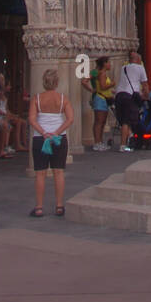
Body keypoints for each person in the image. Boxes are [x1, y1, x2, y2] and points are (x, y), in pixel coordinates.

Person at [28, 68, 73, 217]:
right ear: (56, 82)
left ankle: (39, 207)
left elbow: (32, 119)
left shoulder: (37, 99)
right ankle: (59, 205)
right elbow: (70, 119)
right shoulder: (62, 99)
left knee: (40, 173)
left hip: (41, 138)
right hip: (58, 138)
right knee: (58, 172)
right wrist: (57, 132)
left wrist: (43, 132)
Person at [114, 49, 150, 152]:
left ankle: (129, 137)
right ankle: (123, 145)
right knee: (127, 121)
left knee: (122, 120)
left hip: (119, 95)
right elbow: (145, 85)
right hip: (129, 96)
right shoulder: (140, 68)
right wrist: (146, 96)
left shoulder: (123, 68)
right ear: (138, 59)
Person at [82, 55, 115, 151]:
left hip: (102, 97)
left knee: (102, 121)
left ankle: (99, 141)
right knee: (99, 121)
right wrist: (111, 84)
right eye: (108, 62)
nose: (110, 65)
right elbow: (103, 86)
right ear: (104, 63)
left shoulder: (96, 71)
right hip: (100, 97)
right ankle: (97, 142)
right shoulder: (99, 73)